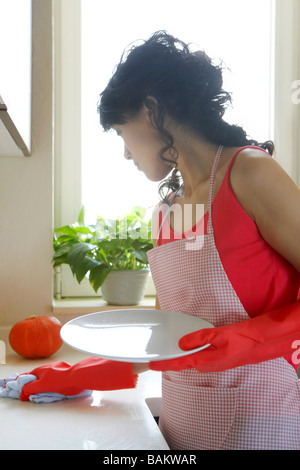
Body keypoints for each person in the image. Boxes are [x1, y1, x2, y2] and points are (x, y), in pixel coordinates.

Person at [1, 31, 300, 450]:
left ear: (151, 109)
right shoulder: (168, 212)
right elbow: (163, 342)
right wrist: (74, 374)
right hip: (183, 424)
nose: (125, 154)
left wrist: (238, 342)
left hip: (264, 421)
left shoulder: (249, 172)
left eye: (122, 134)